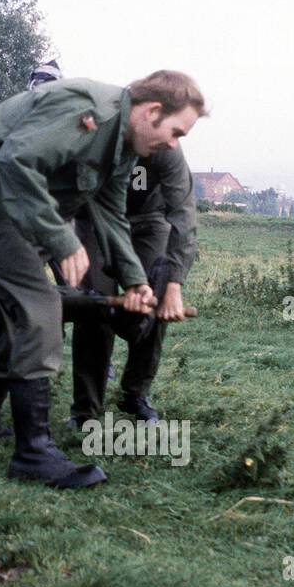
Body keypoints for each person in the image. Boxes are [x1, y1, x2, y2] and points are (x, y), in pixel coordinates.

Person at [0, 70, 206, 489]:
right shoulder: (87, 109)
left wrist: (135, 281)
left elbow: (111, 213)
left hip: (11, 213)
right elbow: (15, 161)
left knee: (11, 307)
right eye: (176, 132)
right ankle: (33, 454)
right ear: (152, 111)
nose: (173, 144)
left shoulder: (122, 142)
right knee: (40, 306)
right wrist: (61, 239)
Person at [70, 145, 197, 425]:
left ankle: (135, 392)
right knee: (94, 304)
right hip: (97, 218)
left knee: (157, 295)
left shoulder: (167, 144)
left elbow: (184, 214)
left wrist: (174, 283)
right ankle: (85, 409)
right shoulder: (102, 130)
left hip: (150, 220)